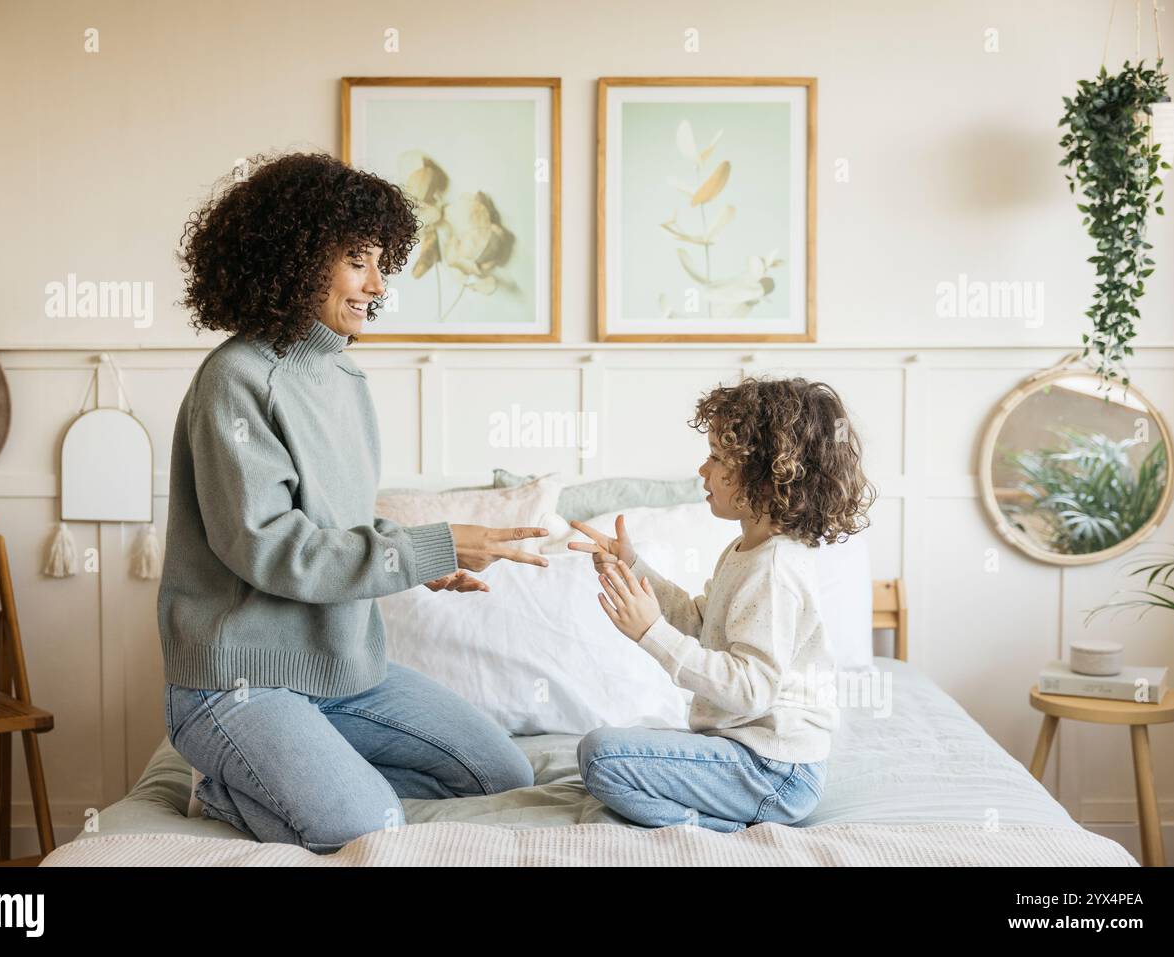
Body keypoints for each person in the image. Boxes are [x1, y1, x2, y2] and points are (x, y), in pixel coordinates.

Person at [158, 151, 545, 853]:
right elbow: (273, 548)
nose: (377, 283)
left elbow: (337, 526)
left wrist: (418, 559)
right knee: (367, 825)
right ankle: (224, 789)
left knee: (500, 770)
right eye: (357, 260)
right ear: (297, 261)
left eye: (380, 261)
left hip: (343, 671)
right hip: (238, 681)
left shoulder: (345, 377)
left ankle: (303, 764)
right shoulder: (235, 381)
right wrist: (433, 543)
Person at [569, 376, 876, 832]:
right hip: (750, 758)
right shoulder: (745, 551)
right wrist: (634, 568)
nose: (702, 470)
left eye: (716, 457)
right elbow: (700, 623)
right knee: (605, 753)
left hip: (773, 770)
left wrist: (652, 634)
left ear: (766, 475)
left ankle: (712, 829)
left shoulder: (774, 569)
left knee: (601, 756)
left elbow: (752, 689)